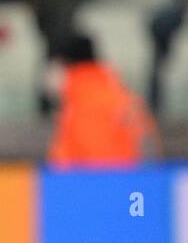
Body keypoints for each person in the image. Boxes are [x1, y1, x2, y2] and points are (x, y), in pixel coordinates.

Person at [46, 34, 159, 169]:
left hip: (92, 184)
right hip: (125, 184)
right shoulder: (120, 96)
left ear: (65, 64)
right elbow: (148, 148)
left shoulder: (77, 105)